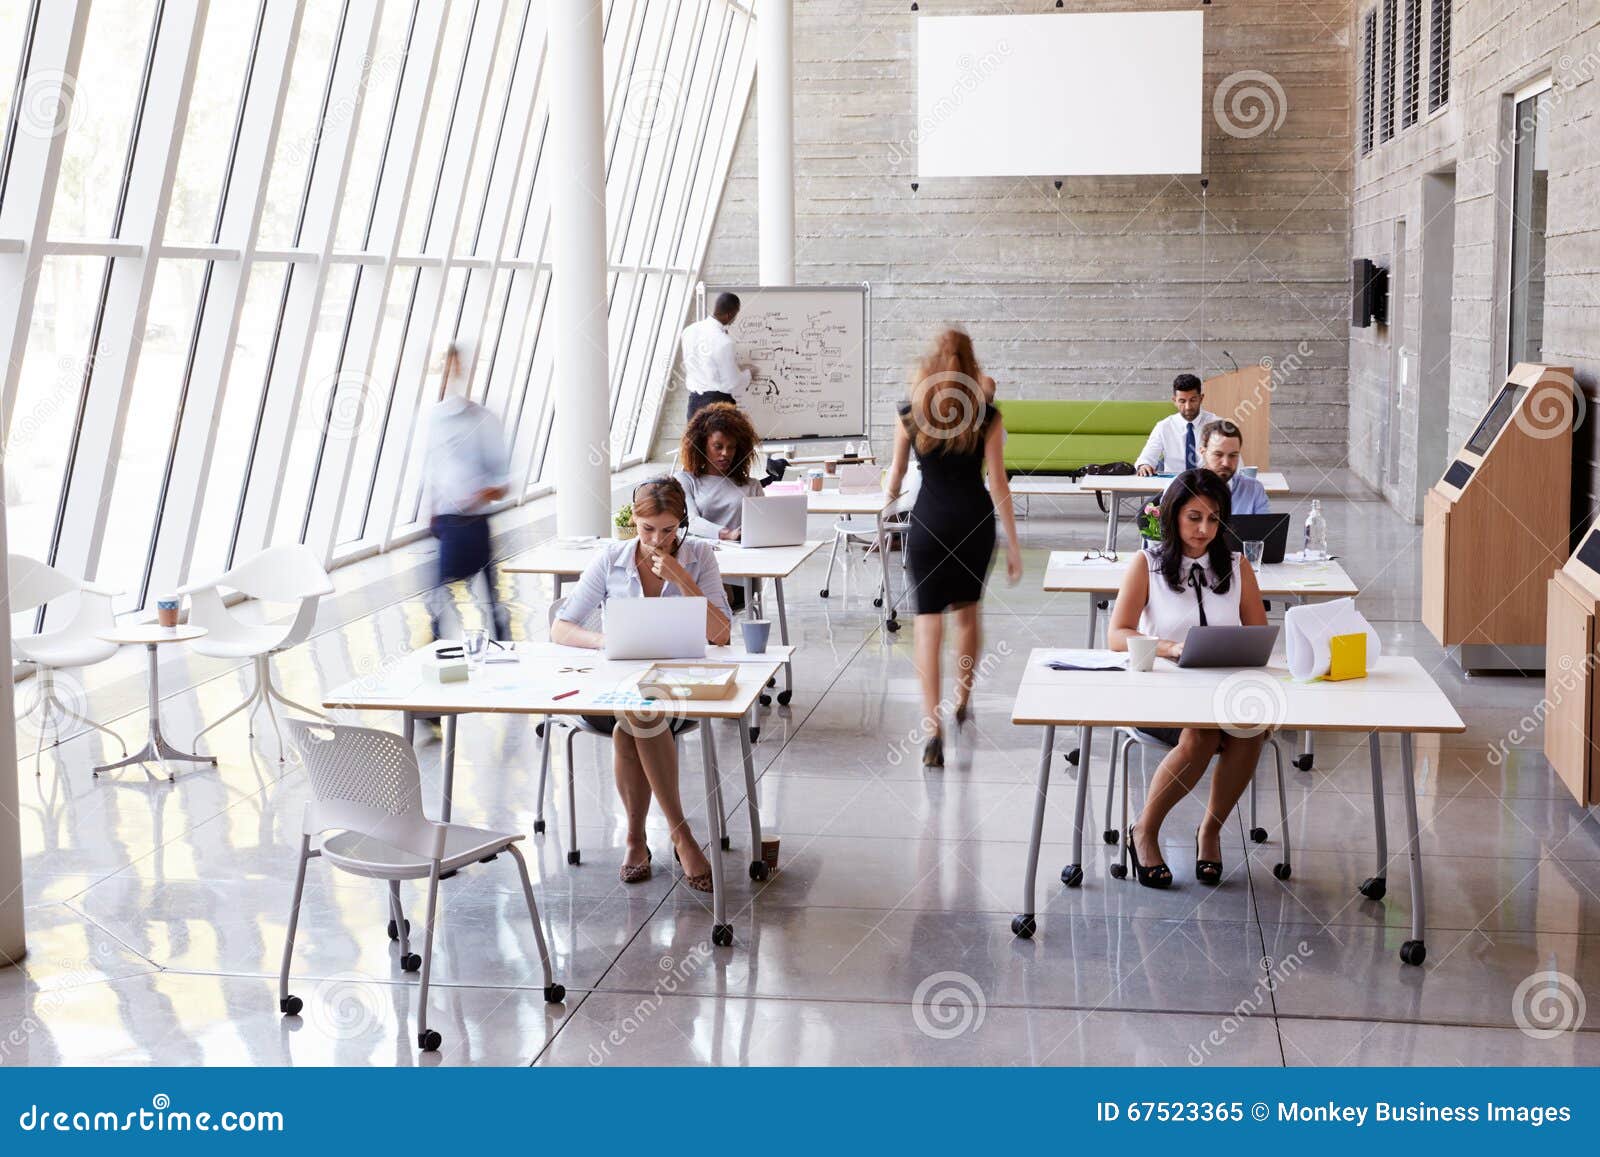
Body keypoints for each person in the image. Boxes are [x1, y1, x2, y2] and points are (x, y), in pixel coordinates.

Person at [550, 477, 732, 891]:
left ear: (681, 522)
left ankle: (636, 839)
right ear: (635, 520)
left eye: (668, 530)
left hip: (675, 694)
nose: (658, 540)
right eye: (648, 529)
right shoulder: (610, 558)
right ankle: (680, 835)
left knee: (634, 719)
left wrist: (682, 579)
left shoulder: (699, 555)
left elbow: (721, 634)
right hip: (608, 690)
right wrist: (604, 641)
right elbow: (561, 628)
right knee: (635, 714)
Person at [1106, 468, 1269, 889]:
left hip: (1222, 690)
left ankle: (1210, 831)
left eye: (1213, 519)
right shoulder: (1147, 564)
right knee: (1203, 733)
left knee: (1250, 729)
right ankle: (1144, 830)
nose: (1204, 529)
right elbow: (1117, 634)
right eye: (1194, 517)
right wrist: (1168, 647)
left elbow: (1258, 635)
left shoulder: (1237, 566)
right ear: (1173, 516)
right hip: (1162, 694)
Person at [886, 329, 1023, 769]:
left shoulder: (910, 412)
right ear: (972, 364)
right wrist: (1015, 546)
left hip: (928, 525)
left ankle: (932, 729)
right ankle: (962, 699)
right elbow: (999, 483)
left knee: (927, 627)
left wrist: (882, 518)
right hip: (973, 523)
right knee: (967, 617)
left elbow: (896, 476)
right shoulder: (987, 415)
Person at [423, 340, 511, 642]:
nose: (451, 373)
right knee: (440, 599)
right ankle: (437, 650)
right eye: (446, 368)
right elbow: (432, 470)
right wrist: (433, 511)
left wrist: (480, 496)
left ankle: (503, 644)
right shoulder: (434, 419)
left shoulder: (484, 419)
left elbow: (503, 481)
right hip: (448, 522)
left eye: (456, 366)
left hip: (474, 523)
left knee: (490, 599)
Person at [674, 403, 767, 542]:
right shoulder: (685, 480)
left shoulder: (752, 486)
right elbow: (691, 521)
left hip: (743, 555)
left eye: (731, 447)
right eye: (718, 446)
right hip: (700, 555)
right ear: (702, 445)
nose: (725, 453)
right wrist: (728, 534)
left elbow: (764, 525)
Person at [1163, 419, 1270, 514]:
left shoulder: (1255, 489)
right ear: (1203, 452)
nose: (1226, 463)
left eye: (1233, 455)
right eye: (1218, 454)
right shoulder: (1177, 486)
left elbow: (1265, 535)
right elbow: (1165, 533)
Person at [681, 292, 754, 420]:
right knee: (723, 440)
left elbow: (704, 363)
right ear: (730, 314)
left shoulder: (688, 331)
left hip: (694, 405)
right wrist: (748, 374)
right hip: (717, 407)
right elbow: (732, 383)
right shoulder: (724, 341)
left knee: (696, 440)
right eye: (735, 315)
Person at [1135, 373, 1221, 476]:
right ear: (1174, 401)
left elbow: (1234, 464)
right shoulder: (1164, 426)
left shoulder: (1217, 425)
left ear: (1201, 398)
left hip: (1208, 484)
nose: (1188, 407)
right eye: (1182, 401)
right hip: (1173, 485)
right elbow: (1146, 458)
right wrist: (1144, 465)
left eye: (1193, 400)